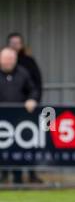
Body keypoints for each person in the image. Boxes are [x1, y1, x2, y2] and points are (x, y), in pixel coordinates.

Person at [7, 32, 42, 183]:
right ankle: (3, 175)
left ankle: (30, 174)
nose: (15, 45)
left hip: (24, 114)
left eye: (18, 42)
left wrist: (34, 100)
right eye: (12, 42)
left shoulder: (28, 63)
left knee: (28, 143)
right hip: (4, 116)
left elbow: (36, 86)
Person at [0, 47, 38, 184]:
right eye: (5, 59)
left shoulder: (23, 73)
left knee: (18, 149)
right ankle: (2, 177)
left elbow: (33, 90)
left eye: (11, 59)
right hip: (1, 122)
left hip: (19, 121)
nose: (8, 62)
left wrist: (32, 99)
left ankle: (18, 179)